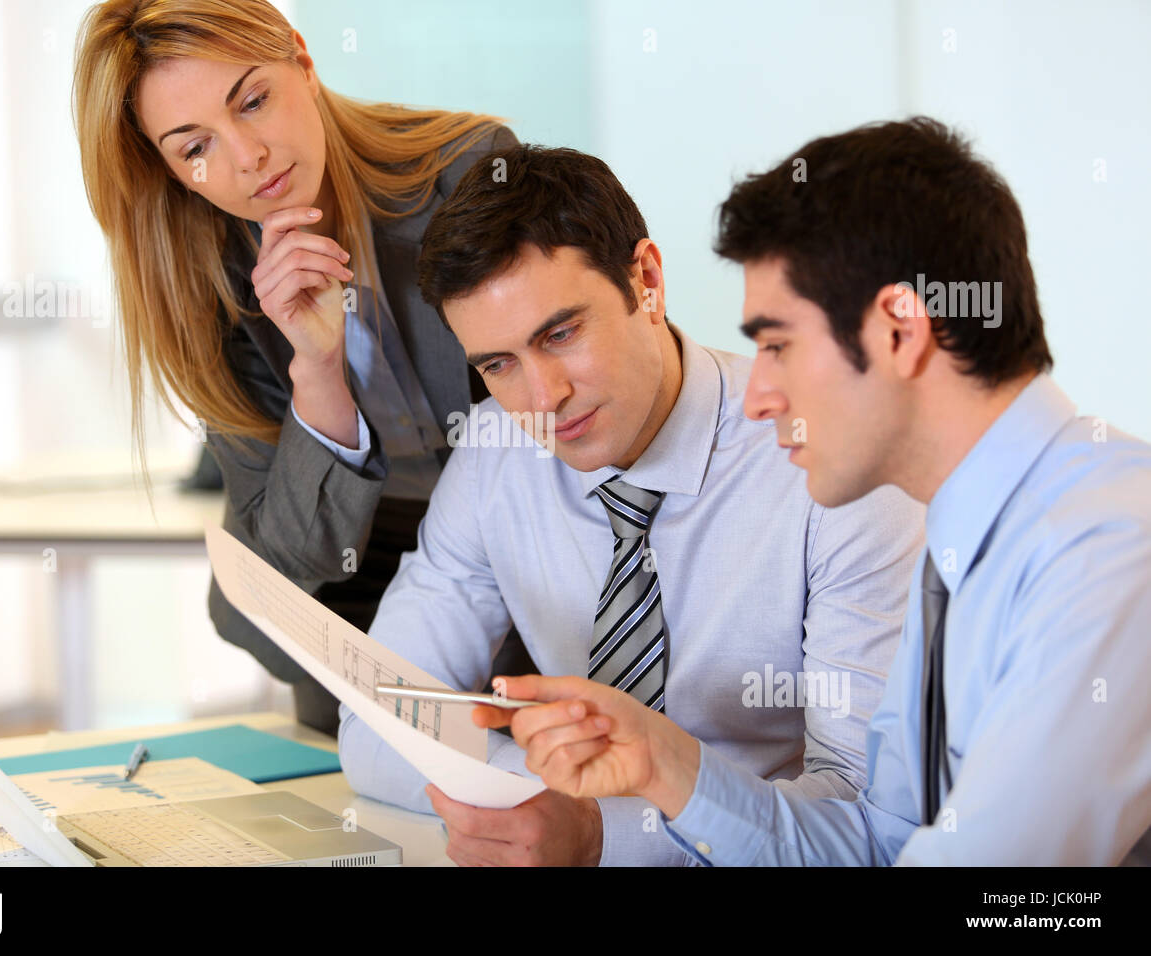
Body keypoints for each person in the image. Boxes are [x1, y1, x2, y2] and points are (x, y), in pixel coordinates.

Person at [481, 118, 1151, 865]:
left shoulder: (1109, 548)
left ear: (901, 330)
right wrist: (663, 766)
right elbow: (878, 843)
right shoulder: (964, 548)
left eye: (777, 345)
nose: (758, 394)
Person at [336, 144, 925, 866]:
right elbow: (380, 722)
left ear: (646, 280)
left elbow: (863, 820)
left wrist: (601, 832)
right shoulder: (495, 448)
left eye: (561, 334)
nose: (542, 398)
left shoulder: (831, 466)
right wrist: (557, 803)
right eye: (498, 365)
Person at [71, 0, 530, 734]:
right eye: (195, 148)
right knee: (313, 687)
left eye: (253, 101)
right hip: (363, 555)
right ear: (172, 172)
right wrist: (317, 371)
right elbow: (279, 569)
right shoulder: (206, 278)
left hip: (519, 532)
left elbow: (571, 404)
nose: (246, 157)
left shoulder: (464, 174)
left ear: (304, 63)